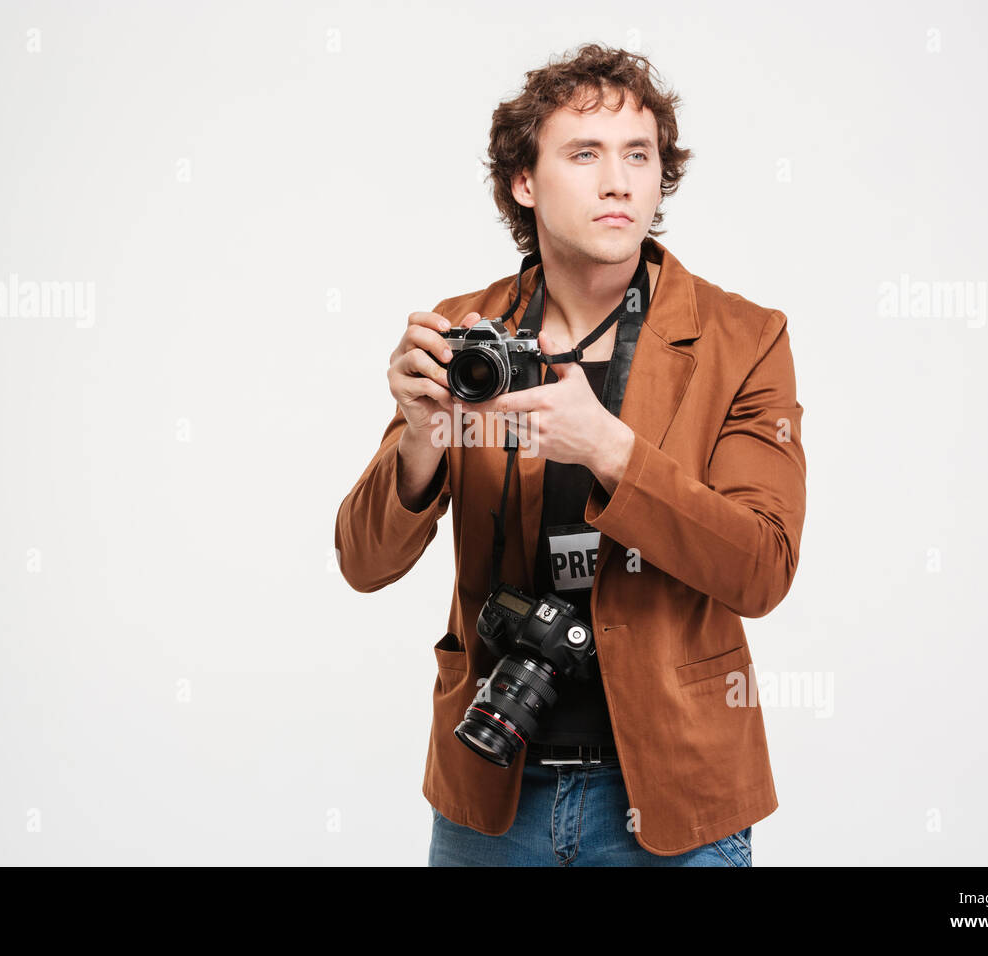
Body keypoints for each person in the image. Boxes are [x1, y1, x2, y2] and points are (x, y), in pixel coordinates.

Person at [334, 43, 807, 866]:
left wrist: (611, 450)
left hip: (675, 791)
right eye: (584, 154)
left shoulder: (744, 339)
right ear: (525, 181)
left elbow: (762, 566)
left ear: (662, 176)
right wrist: (420, 437)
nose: (617, 180)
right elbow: (362, 563)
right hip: (492, 787)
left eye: (638, 155)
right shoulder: (466, 335)